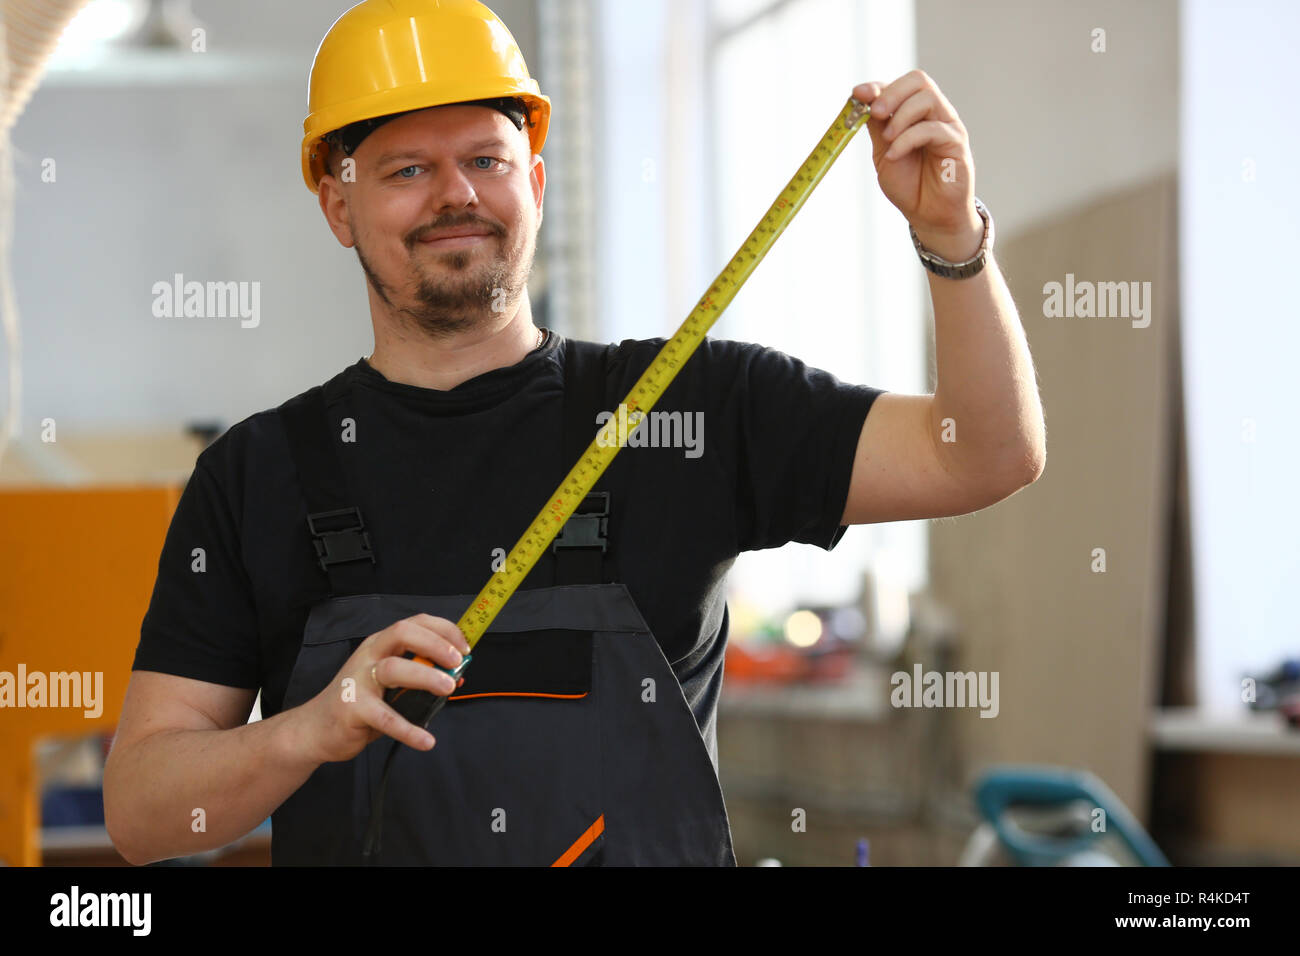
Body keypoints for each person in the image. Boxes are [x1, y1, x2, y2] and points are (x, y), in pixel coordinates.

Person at [103, 0, 1045, 867]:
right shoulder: (255, 477)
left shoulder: (689, 404)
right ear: (337, 204)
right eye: (405, 170)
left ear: (537, 182)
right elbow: (143, 815)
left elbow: (985, 455)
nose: (455, 195)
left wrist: (953, 241)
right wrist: (304, 731)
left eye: (486, 159)